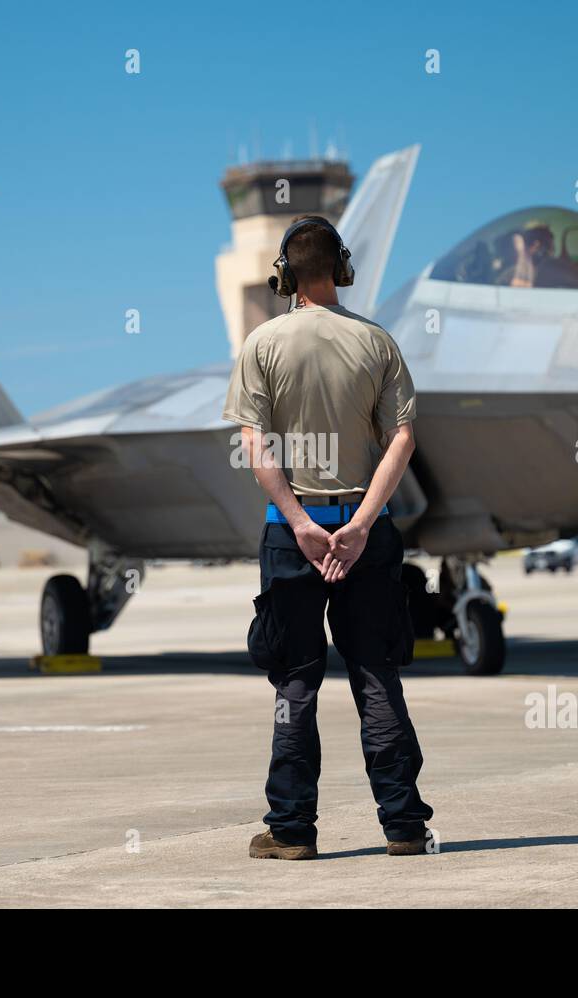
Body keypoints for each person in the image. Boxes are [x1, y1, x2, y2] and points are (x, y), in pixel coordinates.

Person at [222, 214, 434, 860]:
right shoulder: (378, 344)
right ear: (340, 269)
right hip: (364, 535)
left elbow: (256, 450)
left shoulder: (262, 345)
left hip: (293, 537)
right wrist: (361, 522)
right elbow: (403, 439)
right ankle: (402, 826)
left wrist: (301, 523)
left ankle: (291, 832)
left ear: (286, 275)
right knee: (376, 675)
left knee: (295, 683)